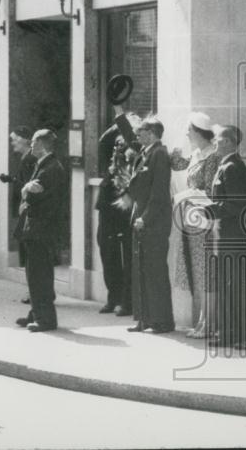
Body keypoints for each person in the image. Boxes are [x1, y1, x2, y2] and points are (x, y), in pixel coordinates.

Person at [207, 124, 246, 348]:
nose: (214, 142)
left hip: (235, 237)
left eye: (218, 139)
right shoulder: (228, 166)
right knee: (229, 286)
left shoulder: (233, 167)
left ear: (227, 142)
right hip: (228, 237)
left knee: (238, 287)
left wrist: (209, 208)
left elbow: (237, 204)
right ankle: (230, 332)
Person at [169, 112, 220, 338]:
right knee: (198, 274)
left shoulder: (212, 157)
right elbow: (176, 162)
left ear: (199, 131)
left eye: (189, 129)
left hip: (204, 221)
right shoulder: (197, 154)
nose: (186, 133)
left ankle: (209, 323)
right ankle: (202, 321)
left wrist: (186, 195)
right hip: (191, 221)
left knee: (206, 274)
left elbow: (210, 191)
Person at [125, 117, 175, 334]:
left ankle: (162, 320)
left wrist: (145, 217)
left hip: (153, 222)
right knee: (141, 270)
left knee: (155, 272)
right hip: (141, 219)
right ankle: (145, 318)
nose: (137, 134)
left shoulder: (159, 154)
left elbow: (159, 192)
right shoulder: (145, 153)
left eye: (141, 131)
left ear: (153, 133)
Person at [16, 129, 66, 332]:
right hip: (37, 229)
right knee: (35, 274)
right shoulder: (45, 165)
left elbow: (35, 197)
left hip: (41, 229)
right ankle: (35, 314)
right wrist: (27, 188)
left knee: (40, 275)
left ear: (43, 144)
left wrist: (26, 190)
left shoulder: (51, 168)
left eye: (34, 141)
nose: (31, 145)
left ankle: (45, 320)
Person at [96, 104, 139, 316]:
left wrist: (124, 119)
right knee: (107, 249)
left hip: (127, 201)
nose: (119, 146)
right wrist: (117, 124)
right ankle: (113, 296)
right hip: (108, 201)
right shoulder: (113, 140)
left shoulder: (136, 144)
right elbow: (102, 141)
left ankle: (127, 300)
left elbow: (133, 140)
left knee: (128, 253)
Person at [0, 125, 37, 276]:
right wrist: (12, 179)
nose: (12, 144)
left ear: (24, 141)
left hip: (28, 210)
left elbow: (30, 185)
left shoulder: (30, 158)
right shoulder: (26, 158)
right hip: (24, 208)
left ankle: (34, 290)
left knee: (29, 251)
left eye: (14, 140)